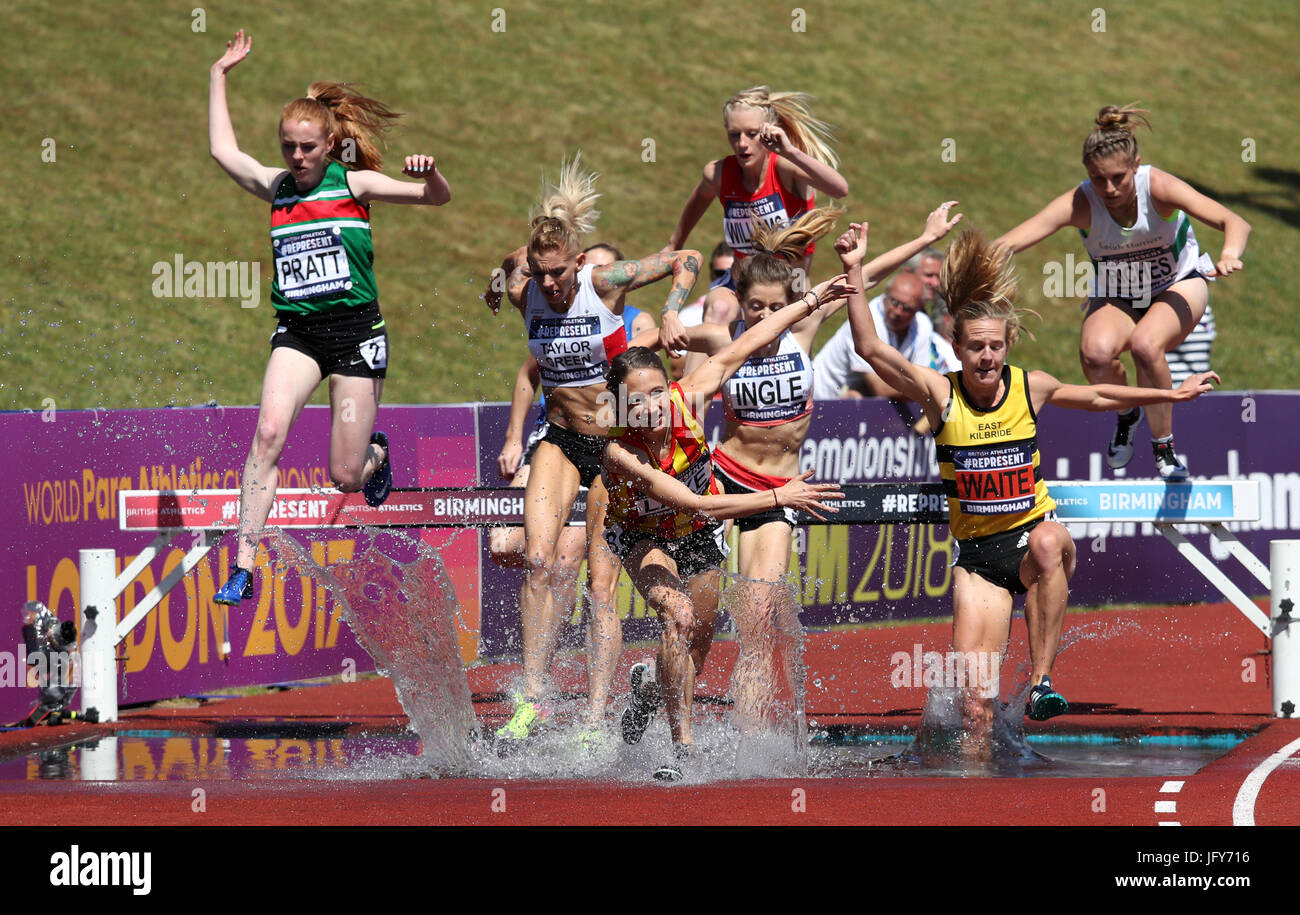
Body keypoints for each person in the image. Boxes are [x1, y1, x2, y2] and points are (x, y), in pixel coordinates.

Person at [834, 222, 1219, 734]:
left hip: (1029, 540)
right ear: (957, 348)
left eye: (995, 346)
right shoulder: (940, 393)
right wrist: (854, 268)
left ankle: (1041, 681)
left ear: (1008, 344)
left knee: (1048, 539)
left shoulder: (1029, 387)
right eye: (975, 348)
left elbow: (1100, 396)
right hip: (978, 559)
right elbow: (869, 348)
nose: (987, 357)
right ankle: (973, 784)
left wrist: (1169, 397)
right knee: (975, 708)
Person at [630, 204, 962, 734]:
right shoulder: (721, 340)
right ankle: (656, 686)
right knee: (701, 626)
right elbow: (640, 348)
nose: (764, 318)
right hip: (725, 482)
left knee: (759, 620)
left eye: (774, 307)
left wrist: (923, 237)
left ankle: (750, 745)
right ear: (739, 303)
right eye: (755, 307)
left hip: (782, 486)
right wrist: (666, 322)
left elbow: (866, 277)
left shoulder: (804, 329)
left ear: (790, 304)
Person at [208, 30, 451, 605]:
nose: (295, 157)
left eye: (307, 148)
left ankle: (377, 453)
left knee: (345, 476)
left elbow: (435, 199)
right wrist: (218, 75)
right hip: (299, 335)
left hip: (355, 337)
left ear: (330, 144)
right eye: (288, 146)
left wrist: (429, 171)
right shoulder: (277, 190)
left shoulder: (356, 185)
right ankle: (244, 563)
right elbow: (224, 152)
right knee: (268, 433)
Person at [599, 274, 854, 781]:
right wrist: (781, 496)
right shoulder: (618, 450)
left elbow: (751, 340)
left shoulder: (689, 396)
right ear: (621, 404)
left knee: (696, 642)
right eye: (637, 401)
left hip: (695, 531)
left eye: (655, 395)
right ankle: (683, 749)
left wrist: (812, 300)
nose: (650, 409)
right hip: (645, 535)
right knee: (677, 614)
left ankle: (649, 689)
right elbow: (698, 500)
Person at [488, 154, 702, 744]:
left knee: (601, 586)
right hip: (559, 439)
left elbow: (688, 258)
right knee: (537, 560)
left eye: (559, 273)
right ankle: (530, 699)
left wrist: (672, 308)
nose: (551, 285)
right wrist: (497, 277)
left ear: (579, 264)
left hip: (610, 445)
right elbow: (509, 262)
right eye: (541, 272)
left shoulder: (603, 283)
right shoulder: (524, 286)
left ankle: (593, 718)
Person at [994, 105, 1249, 480]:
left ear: (1136, 166)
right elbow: (1009, 242)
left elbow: (1235, 221)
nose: (1110, 190)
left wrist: (1229, 254)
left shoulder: (1157, 187)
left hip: (1179, 283)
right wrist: (970, 259)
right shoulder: (1081, 202)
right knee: (1095, 354)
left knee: (1147, 345)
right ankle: (1126, 415)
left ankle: (1164, 448)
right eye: (1099, 180)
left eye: (1118, 178)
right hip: (1121, 293)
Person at [664, 86, 849, 339]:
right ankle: (693, 380)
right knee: (718, 308)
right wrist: (675, 242)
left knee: (792, 326)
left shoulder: (785, 168)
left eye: (752, 134)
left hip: (789, 283)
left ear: (769, 131)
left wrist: (790, 152)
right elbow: (700, 198)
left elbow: (840, 189)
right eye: (734, 135)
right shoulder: (719, 174)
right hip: (743, 282)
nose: (742, 144)